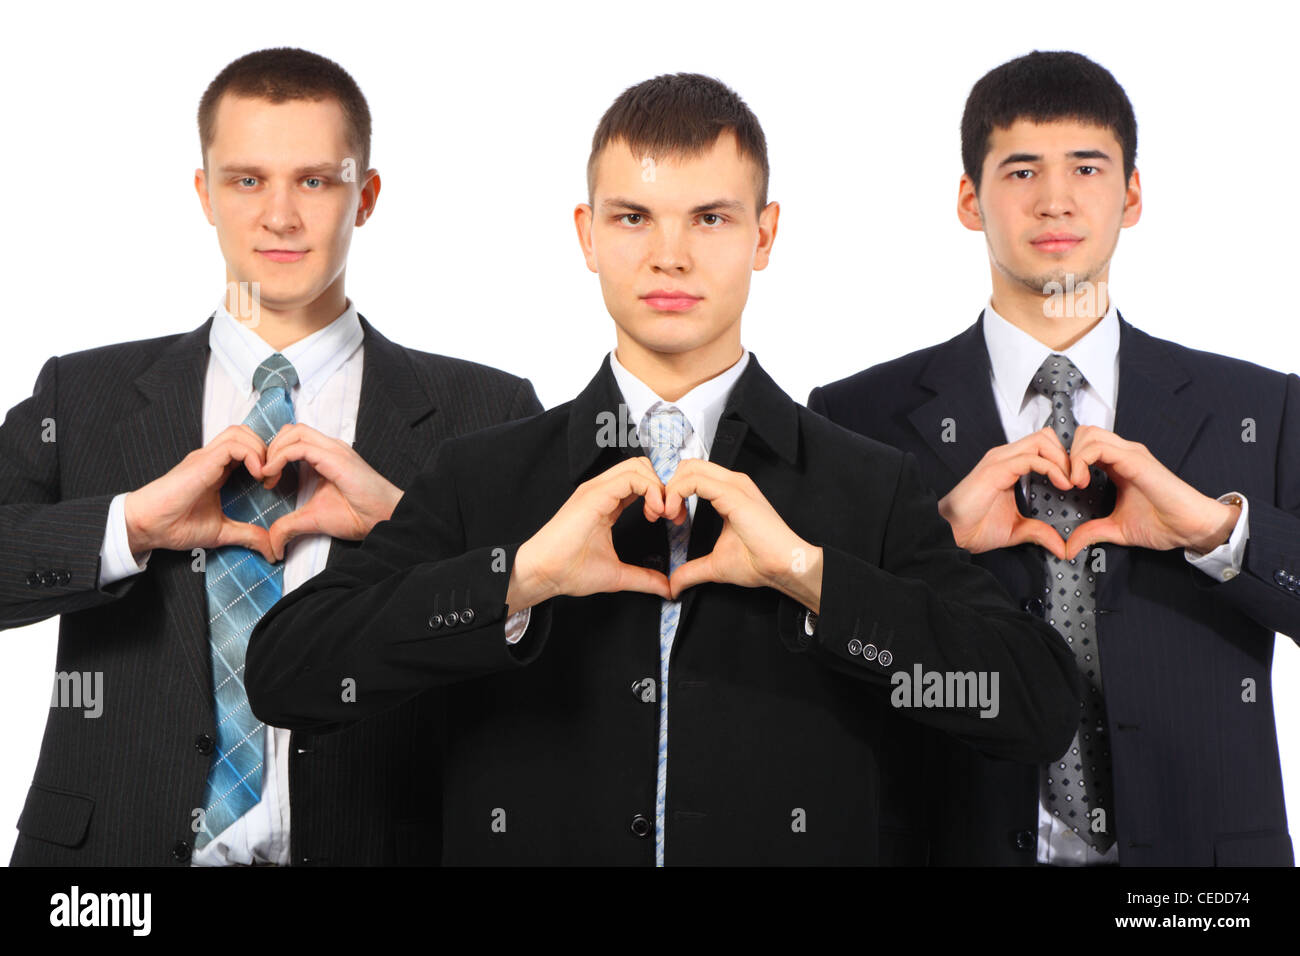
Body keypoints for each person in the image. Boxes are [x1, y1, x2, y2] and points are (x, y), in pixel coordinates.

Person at [247, 72, 1082, 865]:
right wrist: (516, 578)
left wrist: (810, 576)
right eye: (634, 218)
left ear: (765, 235)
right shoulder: (481, 476)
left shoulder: (870, 483)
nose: (671, 256)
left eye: (711, 218)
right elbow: (289, 675)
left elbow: (1036, 708)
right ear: (587, 235)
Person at [2, 47, 541, 866]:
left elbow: (564, 638)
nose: (280, 216)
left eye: (315, 181)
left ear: (366, 198)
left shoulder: (486, 411)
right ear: (204, 194)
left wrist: (407, 524)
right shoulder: (84, 396)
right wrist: (130, 526)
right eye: (247, 180)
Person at [809, 50, 1299, 866]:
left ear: (1131, 195)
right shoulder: (856, 414)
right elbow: (813, 664)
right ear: (971, 200)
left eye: (1087, 166)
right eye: (1022, 169)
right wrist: (931, 544)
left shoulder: (1259, 406)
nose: (1056, 198)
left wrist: (1222, 534)